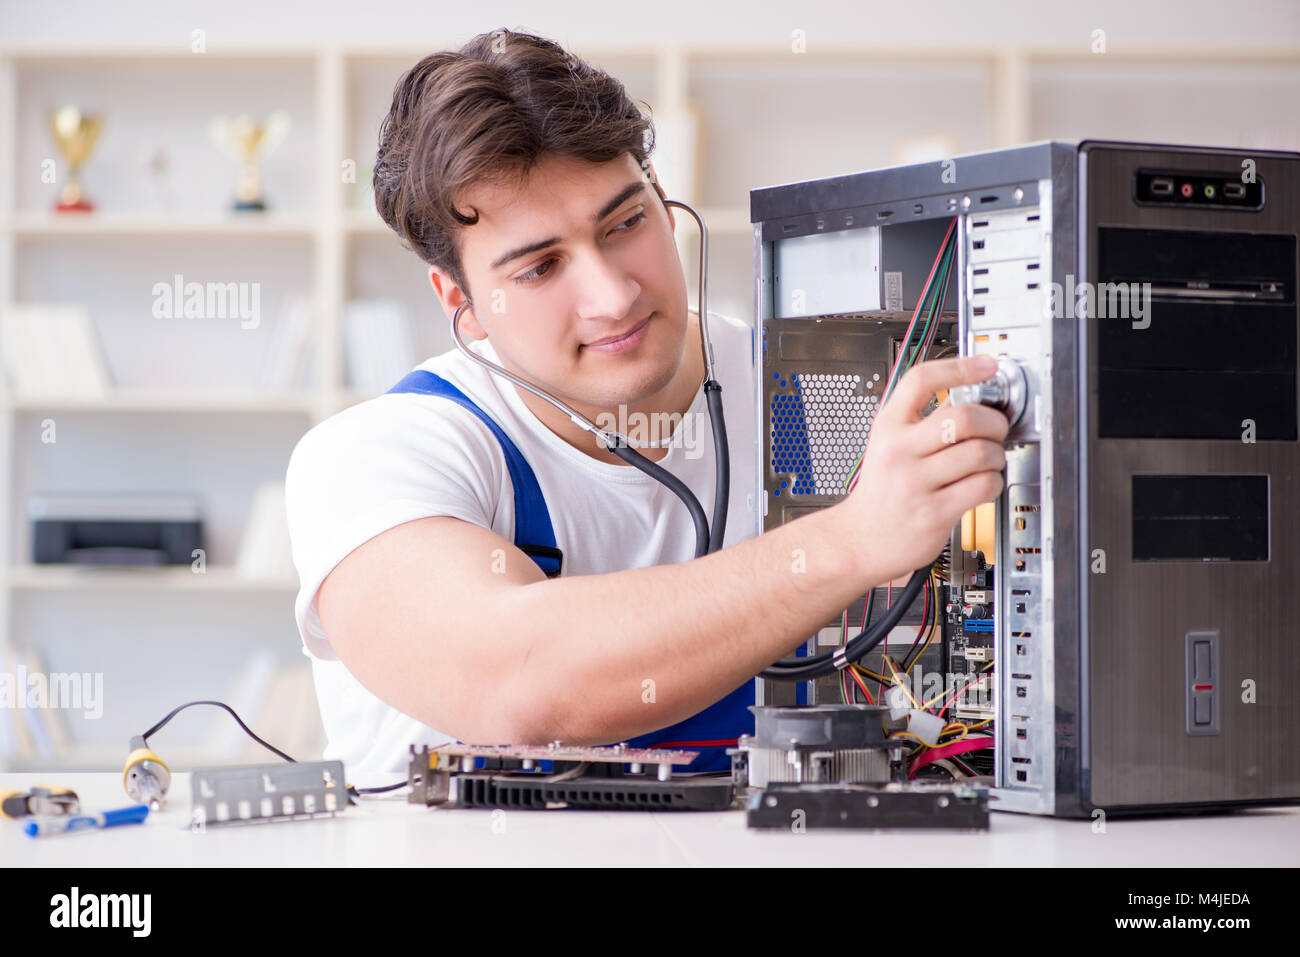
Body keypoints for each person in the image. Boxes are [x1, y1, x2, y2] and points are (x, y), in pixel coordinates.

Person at [284, 28, 1007, 783]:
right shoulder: (373, 457)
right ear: (461, 302)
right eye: (540, 268)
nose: (614, 295)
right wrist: (848, 541)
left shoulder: (819, 393)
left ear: (662, 199)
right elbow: (518, 680)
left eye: (625, 224)